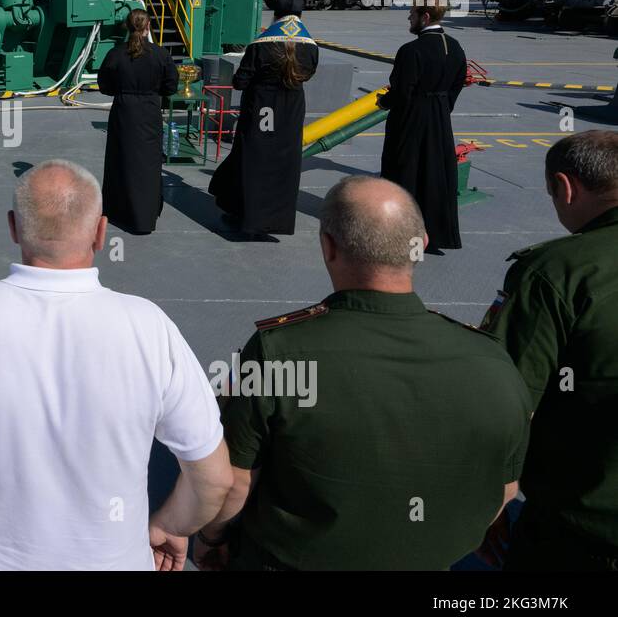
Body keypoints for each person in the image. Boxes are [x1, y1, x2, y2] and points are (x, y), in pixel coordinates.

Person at [0, 160, 232, 570]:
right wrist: (170, 525)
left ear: (13, 227)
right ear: (100, 231)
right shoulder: (149, 326)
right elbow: (214, 478)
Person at [194, 176, 530, 571]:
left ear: (328, 247)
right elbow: (505, 490)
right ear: (420, 245)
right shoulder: (491, 360)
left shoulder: (278, 352)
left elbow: (234, 483)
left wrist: (209, 539)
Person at [480, 130, 618, 571]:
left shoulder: (553, 272)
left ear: (565, 186)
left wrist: (488, 505)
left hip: (582, 531)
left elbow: (507, 403)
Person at [208, 0, 318, 236]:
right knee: (284, 163)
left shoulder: (262, 44)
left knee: (253, 160)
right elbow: (308, 74)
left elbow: (241, 81)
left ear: (276, 15)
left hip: (261, 107)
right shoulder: (310, 46)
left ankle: (247, 216)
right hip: (291, 109)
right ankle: (276, 220)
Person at [378, 0, 467, 250]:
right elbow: (458, 83)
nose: (409, 19)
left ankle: (399, 231)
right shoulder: (455, 46)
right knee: (435, 173)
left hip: (412, 118)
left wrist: (384, 102)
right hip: (439, 117)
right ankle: (436, 233)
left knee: (404, 170)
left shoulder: (411, 50)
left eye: (412, 15)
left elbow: (402, 90)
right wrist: (442, 106)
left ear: (425, 17)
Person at [97, 6, 180, 235]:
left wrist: (122, 91)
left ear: (127, 26)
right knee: (148, 164)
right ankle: (144, 215)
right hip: (150, 111)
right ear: (147, 27)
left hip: (124, 111)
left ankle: (118, 210)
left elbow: (104, 85)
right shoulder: (161, 54)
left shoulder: (115, 53)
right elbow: (171, 86)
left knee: (120, 161)